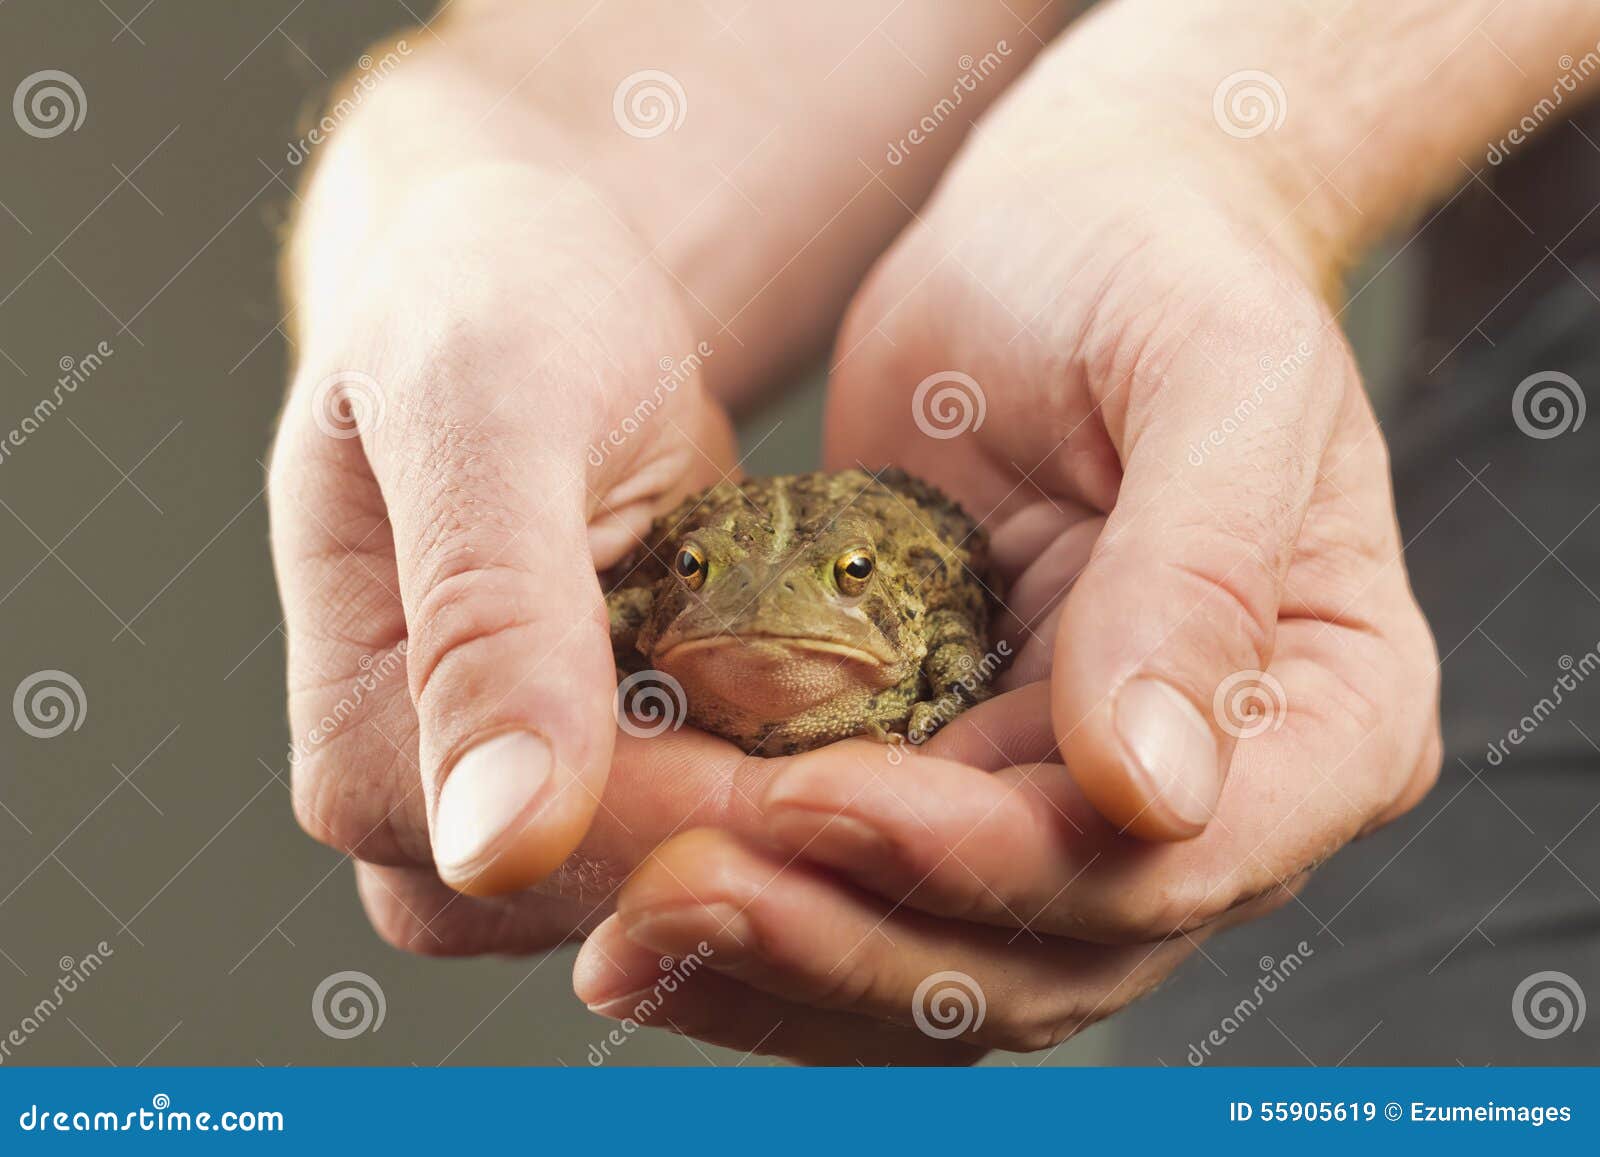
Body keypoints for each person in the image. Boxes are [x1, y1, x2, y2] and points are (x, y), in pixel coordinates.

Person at [268, 0, 1600, 1063]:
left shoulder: (923, 611)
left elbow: (950, 608)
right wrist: (447, 187)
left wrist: (1217, 129)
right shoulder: (661, 602)